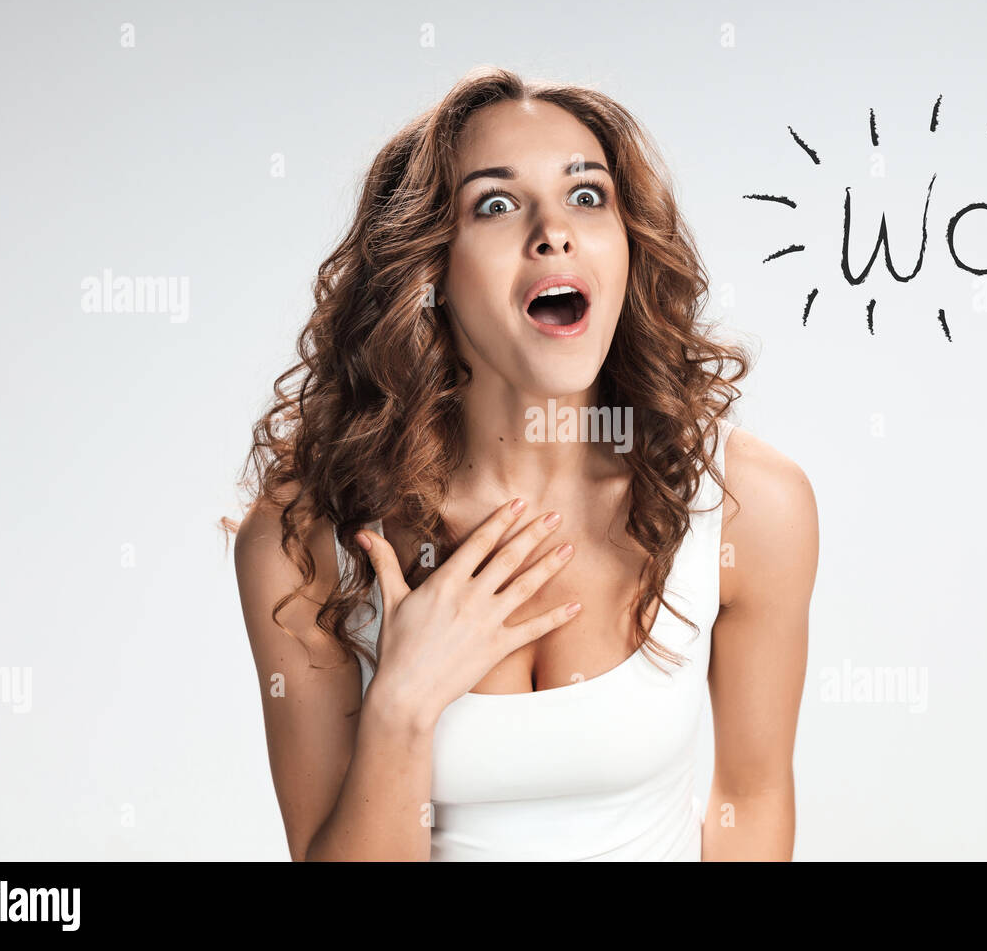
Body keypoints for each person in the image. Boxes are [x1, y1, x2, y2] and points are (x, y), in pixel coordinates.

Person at [228, 66, 818, 861]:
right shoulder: (304, 543)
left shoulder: (750, 505)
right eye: (496, 205)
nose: (554, 231)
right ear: (428, 269)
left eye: (587, 196)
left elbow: (753, 799)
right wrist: (404, 702)